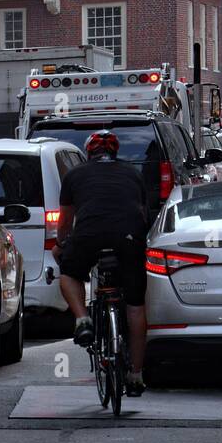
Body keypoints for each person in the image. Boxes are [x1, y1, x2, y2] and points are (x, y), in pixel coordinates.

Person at [55, 131, 149, 396]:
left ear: (88, 153)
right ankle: (136, 375)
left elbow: (65, 223)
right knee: (135, 304)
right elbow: (142, 214)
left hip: (88, 236)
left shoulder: (74, 176)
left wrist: (61, 245)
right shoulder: (133, 174)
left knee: (69, 274)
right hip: (129, 237)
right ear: (116, 153)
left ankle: (83, 319)